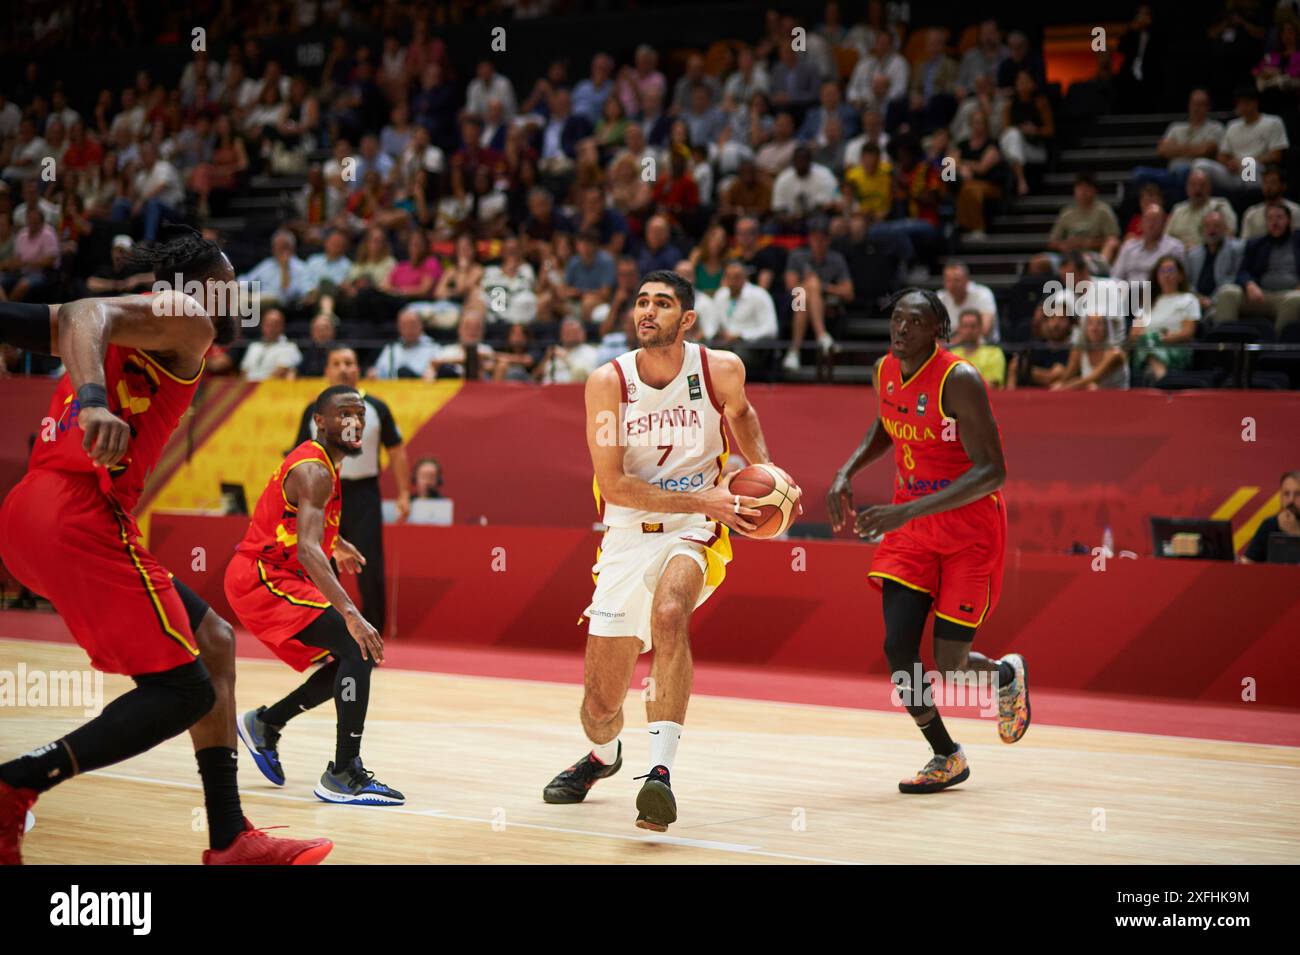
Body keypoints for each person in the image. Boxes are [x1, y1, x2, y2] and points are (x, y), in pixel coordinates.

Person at [0, 231, 330, 864]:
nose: (239, 295)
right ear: (198, 287)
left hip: (33, 510)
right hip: (76, 514)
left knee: (214, 645)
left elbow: (57, 318)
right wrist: (95, 402)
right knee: (183, 692)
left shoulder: (134, 324)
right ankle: (17, 782)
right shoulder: (186, 315)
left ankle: (230, 837)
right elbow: (85, 311)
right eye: (229, 281)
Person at [542, 270, 799, 831]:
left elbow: (743, 415)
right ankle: (604, 757)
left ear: (686, 320)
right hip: (628, 531)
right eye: (641, 302)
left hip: (695, 525)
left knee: (669, 611)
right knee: (599, 709)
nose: (647, 311)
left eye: (661, 303)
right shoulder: (607, 383)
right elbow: (611, 486)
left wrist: (768, 474)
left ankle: (658, 776)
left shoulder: (719, 369)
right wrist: (707, 497)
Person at [827, 288, 1028, 794]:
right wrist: (846, 470)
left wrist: (905, 509)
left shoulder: (959, 379)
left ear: (937, 329)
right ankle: (945, 753)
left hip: (968, 531)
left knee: (952, 663)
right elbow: (888, 422)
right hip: (912, 530)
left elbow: (994, 471)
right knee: (897, 648)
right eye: (896, 319)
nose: (901, 330)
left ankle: (1004, 676)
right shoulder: (886, 369)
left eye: (914, 322)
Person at [226, 385, 403, 806]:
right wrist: (351, 613)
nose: (354, 421)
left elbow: (296, 522)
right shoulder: (315, 469)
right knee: (358, 645)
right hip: (262, 578)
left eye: (359, 414)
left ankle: (267, 724)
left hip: (277, 574)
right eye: (343, 413)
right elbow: (306, 549)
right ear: (319, 421)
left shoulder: (324, 464)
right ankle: (343, 773)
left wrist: (336, 542)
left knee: (351, 655)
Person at [295, 345, 410, 637]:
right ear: (327, 371)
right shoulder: (313, 411)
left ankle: (373, 634)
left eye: (349, 362)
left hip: (363, 495)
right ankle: (328, 635)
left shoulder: (377, 408)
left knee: (367, 562)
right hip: (321, 495)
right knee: (320, 562)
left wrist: (404, 493)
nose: (344, 368)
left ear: (358, 369)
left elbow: (396, 452)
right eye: (337, 363)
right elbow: (298, 456)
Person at [1132, 255, 1199, 383]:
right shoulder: (1148, 302)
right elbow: (1134, 334)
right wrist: (1154, 338)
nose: (1166, 275)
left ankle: (1158, 375)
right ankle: (1160, 376)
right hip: (1146, 346)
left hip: (1175, 348)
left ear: (1180, 276)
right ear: (1157, 276)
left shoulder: (1189, 299)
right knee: (1144, 342)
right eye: (1162, 271)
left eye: (1171, 270)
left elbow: (1188, 332)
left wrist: (1162, 339)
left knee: (1148, 341)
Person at [1056, 312, 1129, 390]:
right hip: (1090, 398)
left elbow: (1091, 379)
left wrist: (1063, 387)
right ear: (1084, 328)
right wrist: (1058, 380)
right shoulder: (1078, 351)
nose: (1094, 329)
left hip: (1117, 399)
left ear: (1106, 328)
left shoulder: (1115, 354)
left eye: (1099, 324)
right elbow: (1066, 378)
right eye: (1090, 323)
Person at [1241, 471, 1300, 563]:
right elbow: (1248, 562)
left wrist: (1295, 533)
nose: (1291, 500)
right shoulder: (1270, 524)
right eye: (1286, 494)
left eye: (1298, 494)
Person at [948, 307, 1006, 387]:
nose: (969, 330)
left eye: (973, 326)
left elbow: (993, 385)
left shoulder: (994, 353)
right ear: (959, 329)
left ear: (980, 328)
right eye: (965, 326)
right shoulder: (951, 355)